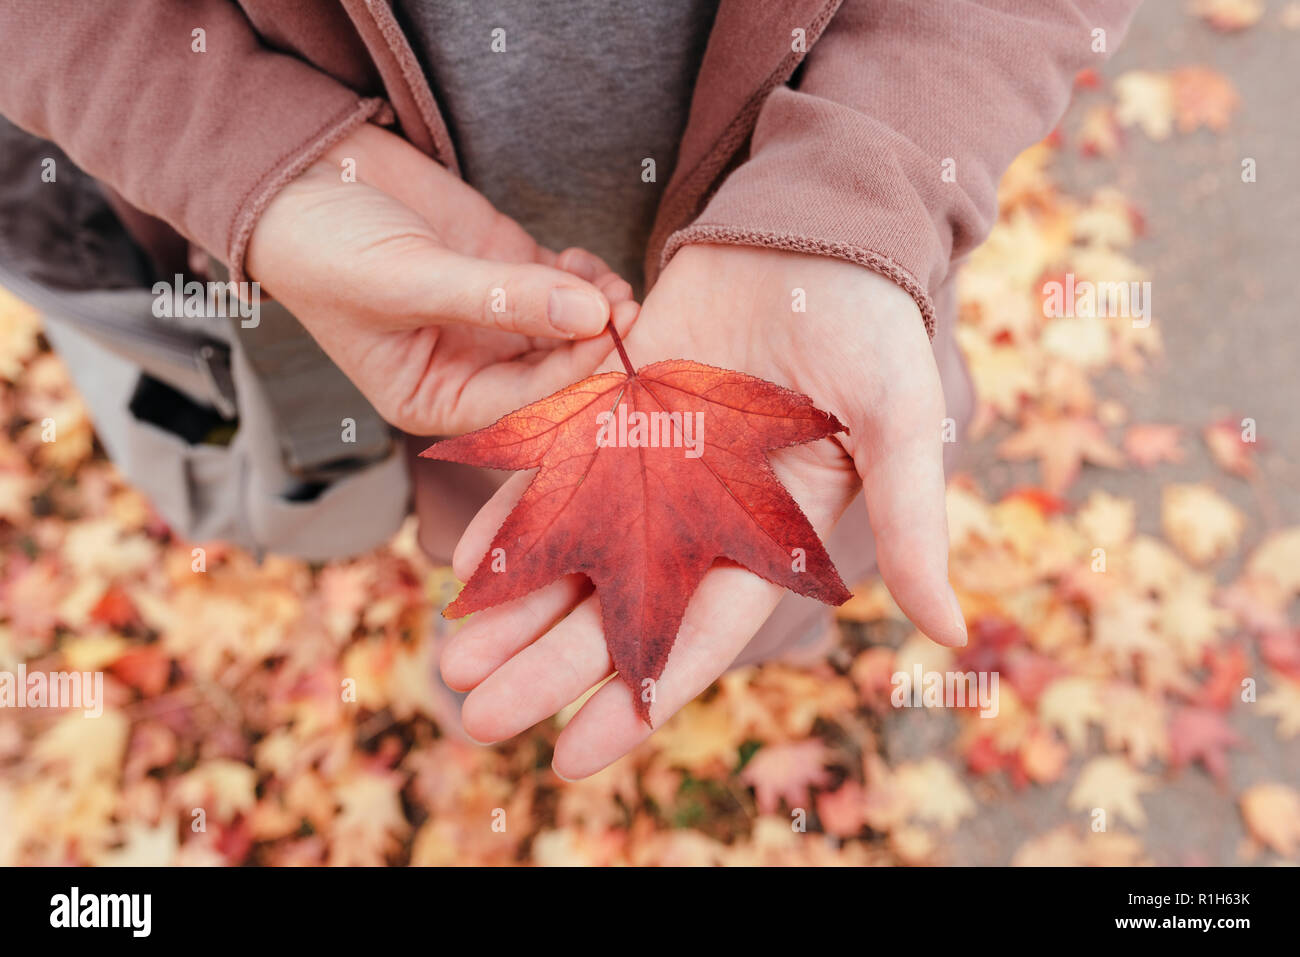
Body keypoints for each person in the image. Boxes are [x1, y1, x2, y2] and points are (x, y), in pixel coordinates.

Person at [0, 0, 1139, 779]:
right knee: (491, 532)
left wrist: (863, 185)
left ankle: (771, 652)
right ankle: (523, 668)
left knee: (789, 545)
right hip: (419, 280)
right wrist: (249, 152)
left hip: (798, 238)